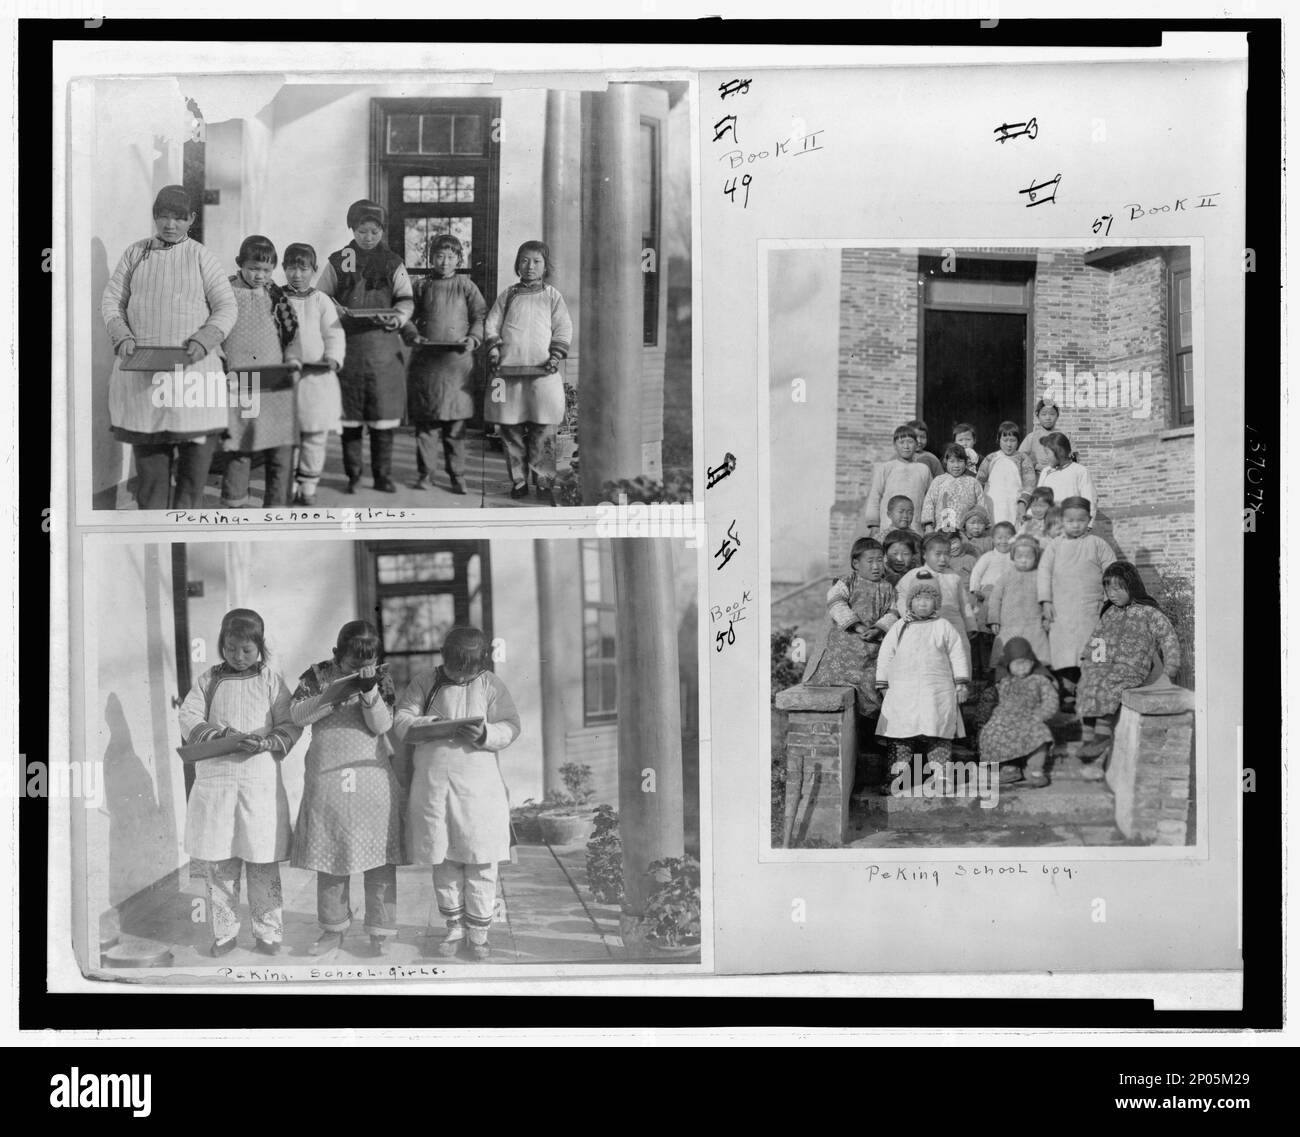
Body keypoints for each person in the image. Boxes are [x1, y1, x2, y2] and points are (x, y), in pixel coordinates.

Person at [100, 184, 237, 510]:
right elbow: (111, 301)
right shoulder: (135, 253)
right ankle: (155, 545)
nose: (170, 224)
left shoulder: (202, 257)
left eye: (178, 217)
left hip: (193, 378)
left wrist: (204, 341)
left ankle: (182, 542)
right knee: (150, 484)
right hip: (142, 381)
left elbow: (226, 306)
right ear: (155, 217)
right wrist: (122, 335)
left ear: (190, 219)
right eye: (163, 216)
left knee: (192, 481)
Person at [176, 609, 301, 956]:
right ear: (222, 645)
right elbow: (188, 715)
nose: (238, 657)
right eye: (230, 649)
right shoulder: (208, 680)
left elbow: (290, 723)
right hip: (217, 783)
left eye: (247, 650)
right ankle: (225, 933)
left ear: (259, 647)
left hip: (258, 783)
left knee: (261, 860)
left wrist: (266, 742)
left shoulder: (271, 681)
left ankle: (268, 934)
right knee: (221, 862)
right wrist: (218, 734)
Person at [394, 627, 522, 960]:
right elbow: (402, 721)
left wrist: (485, 733)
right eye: (455, 666)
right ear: (444, 656)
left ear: (482, 662)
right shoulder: (425, 682)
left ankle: (478, 933)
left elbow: (511, 724)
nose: (461, 674)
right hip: (435, 785)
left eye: (469, 667)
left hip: (480, 788)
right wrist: (429, 723)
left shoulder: (491, 685)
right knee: (445, 857)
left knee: (481, 859)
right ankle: (454, 927)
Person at [289, 621, 405, 957]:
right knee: (331, 853)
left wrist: (368, 691)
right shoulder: (316, 675)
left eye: (366, 662)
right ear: (338, 653)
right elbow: (296, 716)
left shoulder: (379, 678)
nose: (360, 668)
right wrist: (330, 700)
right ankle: (332, 928)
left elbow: (382, 725)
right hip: (327, 774)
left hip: (370, 775)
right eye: (353, 663)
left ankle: (381, 929)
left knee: (379, 855)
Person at [318, 199, 414, 494]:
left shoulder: (393, 262)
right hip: (349, 348)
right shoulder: (338, 260)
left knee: (382, 415)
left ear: (382, 231)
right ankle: (354, 475)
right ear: (352, 230)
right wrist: (336, 310)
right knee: (350, 416)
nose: (368, 237)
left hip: (383, 348)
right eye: (361, 231)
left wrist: (397, 318)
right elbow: (321, 297)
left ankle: (382, 476)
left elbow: (405, 299)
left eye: (374, 231)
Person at [483, 240, 573, 505]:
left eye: (536, 261)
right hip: (509, 373)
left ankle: (544, 481)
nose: (530, 266)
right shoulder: (508, 295)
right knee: (510, 429)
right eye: (524, 260)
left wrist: (555, 355)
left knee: (544, 428)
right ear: (517, 264)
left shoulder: (552, 296)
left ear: (545, 266)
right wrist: (494, 350)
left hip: (543, 372)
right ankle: (519, 481)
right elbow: (492, 324)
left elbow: (563, 328)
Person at [1074, 562, 1181, 778]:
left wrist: (1169, 672)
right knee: (1087, 683)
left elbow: (1169, 639)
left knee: (1108, 684)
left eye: (1117, 588)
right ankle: (1088, 741)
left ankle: (1100, 740)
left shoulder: (1149, 612)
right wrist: (1092, 663)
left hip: (1132, 668)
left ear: (1131, 586)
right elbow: (1098, 640)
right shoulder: (1110, 613)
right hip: (1106, 666)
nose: (1112, 594)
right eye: (1108, 590)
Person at [220, 235, 303, 508]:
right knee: (239, 446)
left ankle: (276, 507)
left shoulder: (276, 295)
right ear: (240, 264)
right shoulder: (224, 293)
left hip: (274, 380)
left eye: (267, 270)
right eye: (254, 268)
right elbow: (215, 334)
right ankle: (235, 504)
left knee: (279, 447)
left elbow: (292, 335)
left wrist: (292, 361)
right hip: (238, 380)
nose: (260, 275)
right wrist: (222, 367)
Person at [405, 234, 487, 496]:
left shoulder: (467, 286)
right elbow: (407, 316)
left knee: (455, 426)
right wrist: (412, 335)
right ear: (431, 257)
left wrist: (473, 338)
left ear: (459, 260)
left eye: (451, 256)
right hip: (427, 365)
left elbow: (480, 316)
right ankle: (426, 473)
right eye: (440, 255)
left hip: (457, 364)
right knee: (427, 425)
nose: (444, 261)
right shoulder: (420, 286)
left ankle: (457, 475)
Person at [875, 578, 970, 790]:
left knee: (938, 733)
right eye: (918, 599)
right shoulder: (899, 627)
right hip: (903, 690)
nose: (923, 603)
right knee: (900, 736)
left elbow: (958, 655)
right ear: (910, 603)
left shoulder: (944, 627)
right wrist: (882, 683)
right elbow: (885, 655)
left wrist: (961, 683)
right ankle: (897, 777)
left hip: (936, 690)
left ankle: (941, 776)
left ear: (936, 603)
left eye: (928, 599)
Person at [802, 537, 896, 722]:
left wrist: (878, 628)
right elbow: (835, 603)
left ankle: (875, 734)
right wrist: (858, 625)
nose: (876, 566)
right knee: (833, 676)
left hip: (872, 648)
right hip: (846, 644)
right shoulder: (847, 582)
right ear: (856, 563)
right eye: (870, 561)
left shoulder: (887, 588)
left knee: (874, 684)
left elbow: (893, 612)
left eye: (880, 560)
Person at [281, 242, 346, 507]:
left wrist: (333, 357)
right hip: (286, 378)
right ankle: (290, 484)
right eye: (291, 268)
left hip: (317, 378)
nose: (297, 274)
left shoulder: (322, 301)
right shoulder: (276, 297)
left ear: (314, 269)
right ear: (283, 269)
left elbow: (334, 333)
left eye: (303, 268)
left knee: (315, 433)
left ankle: (308, 485)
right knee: (288, 434)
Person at [1038, 496, 1117, 701]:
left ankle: (1090, 689)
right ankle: (1067, 691)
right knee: (1064, 652)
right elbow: (1044, 573)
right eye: (1070, 521)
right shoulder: (1055, 546)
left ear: (1089, 520)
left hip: (1090, 609)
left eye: (1080, 521)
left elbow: (1112, 571)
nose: (1075, 525)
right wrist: (1046, 601)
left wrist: (1110, 600)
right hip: (1061, 610)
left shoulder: (1098, 544)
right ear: (1063, 521)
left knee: (1090, 649)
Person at [884, 531, 976, 675]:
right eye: (938, 554)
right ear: (925, 555)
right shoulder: (915, 574)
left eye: (947, 554)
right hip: (926, 624)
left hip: (954, 623)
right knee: (932, 660)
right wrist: (906, 614)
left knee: (959, 655)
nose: (943, 559)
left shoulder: (954, 577)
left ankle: (959, 689)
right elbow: (900, 594)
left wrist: (970, 625)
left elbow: (964, 603)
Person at [978, 637, 1059, 788]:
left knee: (1039, 733)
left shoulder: (1039, 680)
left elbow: (1051, 700)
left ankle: (1034, 768)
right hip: (1004, 719)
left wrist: (1040, 715)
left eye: (1025, 663)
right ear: (1008, 666)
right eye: (1017, 664)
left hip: (1030, 717)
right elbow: (995, 702)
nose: (1021, 668)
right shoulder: (1005, 682)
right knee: (991, 732)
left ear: (1032, 662)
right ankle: (1009, 767)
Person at [986, 535, 1051, 668]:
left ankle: (1038, 677)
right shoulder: (1006, 576)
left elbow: (1046, 599)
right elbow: (995, 598)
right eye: (1019, 556)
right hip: (1009, 624)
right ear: (1013, 557)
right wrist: (994, 619)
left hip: (1034, 625)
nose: (1023, 560)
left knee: (1037, 653)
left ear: (1036, 558)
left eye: (1028, 557)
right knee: (1007, 651)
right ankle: (1003, 679)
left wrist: (1046, 618)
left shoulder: (1040, 577)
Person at [969, 521, 1017, 677]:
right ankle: (983, 666)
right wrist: (975, 590)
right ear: (993, 539)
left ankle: (1001, 662)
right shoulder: (988, 557)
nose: (1003, 541)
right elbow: (976, 573)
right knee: (985, 631)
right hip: (987, 595)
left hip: (1007, 596)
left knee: (1002, 630)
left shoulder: (1015, 557)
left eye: (1008, 538)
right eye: (999, 537)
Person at [863, 425, 933, 533]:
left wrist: (928, 524)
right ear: (895, 446)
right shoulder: (886, 468)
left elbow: (930, 499)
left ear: (916, 444)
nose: (906, 446)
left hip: (915, 527)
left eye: (910, 442)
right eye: (901, 442)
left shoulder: (924, 470)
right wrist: (874, 524)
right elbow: (875, 496)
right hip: (888, 527)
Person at [976, 421, 1036, 526]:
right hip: (992, 505)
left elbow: (1030, 484)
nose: (1009, 444)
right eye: (1005, 440)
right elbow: (979, 482)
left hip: (1014, 505)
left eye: (1013, 440)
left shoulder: (1023, 459)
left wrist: (1022, 503)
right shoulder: (990, 458)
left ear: (1018, 441)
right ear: (998, 440)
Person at [921, 443, 986, 533]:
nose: (956, 465)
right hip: (941, 530)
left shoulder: (973, 482)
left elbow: (981, 506)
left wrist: (979, 526)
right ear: (945, 461)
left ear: (966, 462)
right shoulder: (938, 481)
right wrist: (928, 526)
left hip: (966, 532)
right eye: (952, 461)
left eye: (960, 461)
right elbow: (929, 503)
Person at [1037, 432, 1098, 522]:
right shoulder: (1046, 472)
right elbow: (1038, 499)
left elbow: (1090, 500)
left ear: (1060, 452)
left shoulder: (1080, 471)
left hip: (1073, 527)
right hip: (1050, 528)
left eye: (1048, 453)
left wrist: (1088, 524)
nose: (1046, 457)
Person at [1019, 397, 1060, 472]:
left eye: (1052, 414)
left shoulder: (1065, 436)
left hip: (1061, 477)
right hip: (1038, 478)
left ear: (1057, 415)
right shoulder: (1031, 437)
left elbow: (1074, 460)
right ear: (1037, 416)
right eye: (1044, 414)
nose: (1048, 417)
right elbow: (1020, 457)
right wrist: (1035, 465)